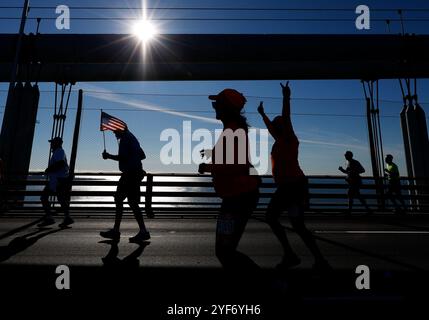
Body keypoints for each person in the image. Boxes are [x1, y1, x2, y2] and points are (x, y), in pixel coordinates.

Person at [258, 82, 330, 271]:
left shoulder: (289, 138)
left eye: (278, 123)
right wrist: (262, 115)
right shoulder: (281, 140)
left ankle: (290, 255)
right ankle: (319, 260)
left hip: (291, 187)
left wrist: (286, 97)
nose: (276, 124)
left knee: (271, 217)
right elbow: (272, 128)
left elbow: (287, 117)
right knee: (298, 226)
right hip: (295, 186)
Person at [199, 88, 260, 270]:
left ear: (226, 107)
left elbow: (237, 165)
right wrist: (212, 152)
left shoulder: (233, 130)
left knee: (225, 251)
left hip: (238, 198)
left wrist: (208, 166)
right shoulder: (232, 129)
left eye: (217, 104)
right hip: (238, 197)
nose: (214, 107)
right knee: (226, 250)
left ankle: (271, 286)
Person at [100, 127, 151, 242]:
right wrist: (134, 158)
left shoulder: (125, 139)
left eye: (115, 131)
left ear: (120, 130)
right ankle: (142, 231)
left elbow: (123, 157)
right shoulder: (133, 139)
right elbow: (143, 156)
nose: (114, 134)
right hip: (136, 173)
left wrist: (108, 156)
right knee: (131, 202)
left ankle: (116, 231)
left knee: (120, 199)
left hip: (130, 174)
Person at [39, 137, 73, 227]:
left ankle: (50, 218)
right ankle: (67, 217)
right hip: (59, 179)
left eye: (52, 143)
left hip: (58, 180)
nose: (51, 144)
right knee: (61, 199)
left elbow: (61, 163)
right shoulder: (58, 152)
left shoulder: (59, 151)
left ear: (57, 143)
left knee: (44, 197)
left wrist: (49, 169)